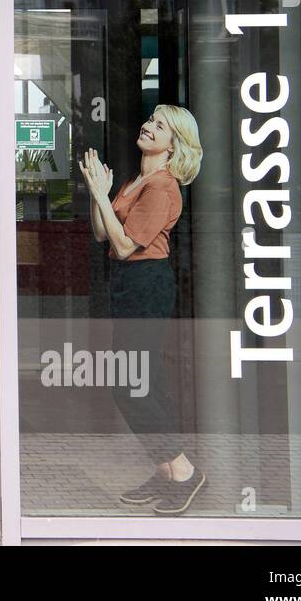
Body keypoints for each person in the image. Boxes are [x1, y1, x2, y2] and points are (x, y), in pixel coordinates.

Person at [78, 104, 204, 515]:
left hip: (147, 284)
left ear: (174, 145)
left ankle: (183, 472)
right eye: (150, 119)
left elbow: (125, 245)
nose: (148, 126)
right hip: (128, 285)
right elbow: (102, 232)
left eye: (160, 125)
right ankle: (166, 472)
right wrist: (96, 194)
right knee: (141, 381)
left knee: (132, 384)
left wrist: (100, 193)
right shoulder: (136, 181)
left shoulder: (163, 188)